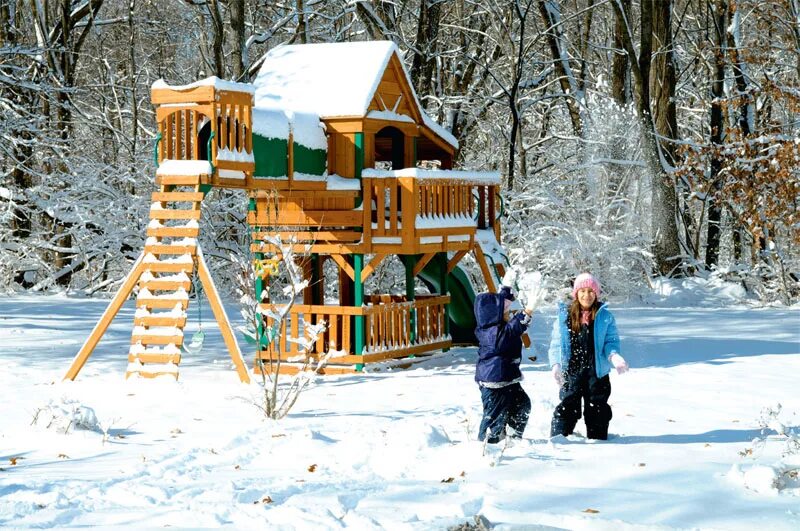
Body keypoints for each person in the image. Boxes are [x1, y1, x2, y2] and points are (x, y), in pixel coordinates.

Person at [548, 273, 628, 440]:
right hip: (572, 371)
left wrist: (614, 356)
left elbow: (610, 341)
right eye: (583, 291)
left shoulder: (604, 316)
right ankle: (558, 441)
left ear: (596, 293)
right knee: (568, 406)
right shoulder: (565, 316)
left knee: (598, 408)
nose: (587, 295)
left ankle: (598, 442)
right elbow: (556, 344)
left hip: (597, 372)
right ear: (576, 293)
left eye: (591, 291)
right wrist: (556, 364)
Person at [474, 282, 534, 444]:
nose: (509, 314)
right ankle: (486, 445)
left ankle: (512, 438)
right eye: (505, 312)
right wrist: (527, 312)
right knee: (494, 418)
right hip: (494, 383)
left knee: (522, 405)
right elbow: (512, 331)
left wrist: (506, 289)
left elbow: (500, 304)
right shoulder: (491, 333)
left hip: (507, 379)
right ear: (494, 315)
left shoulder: (495, 326)